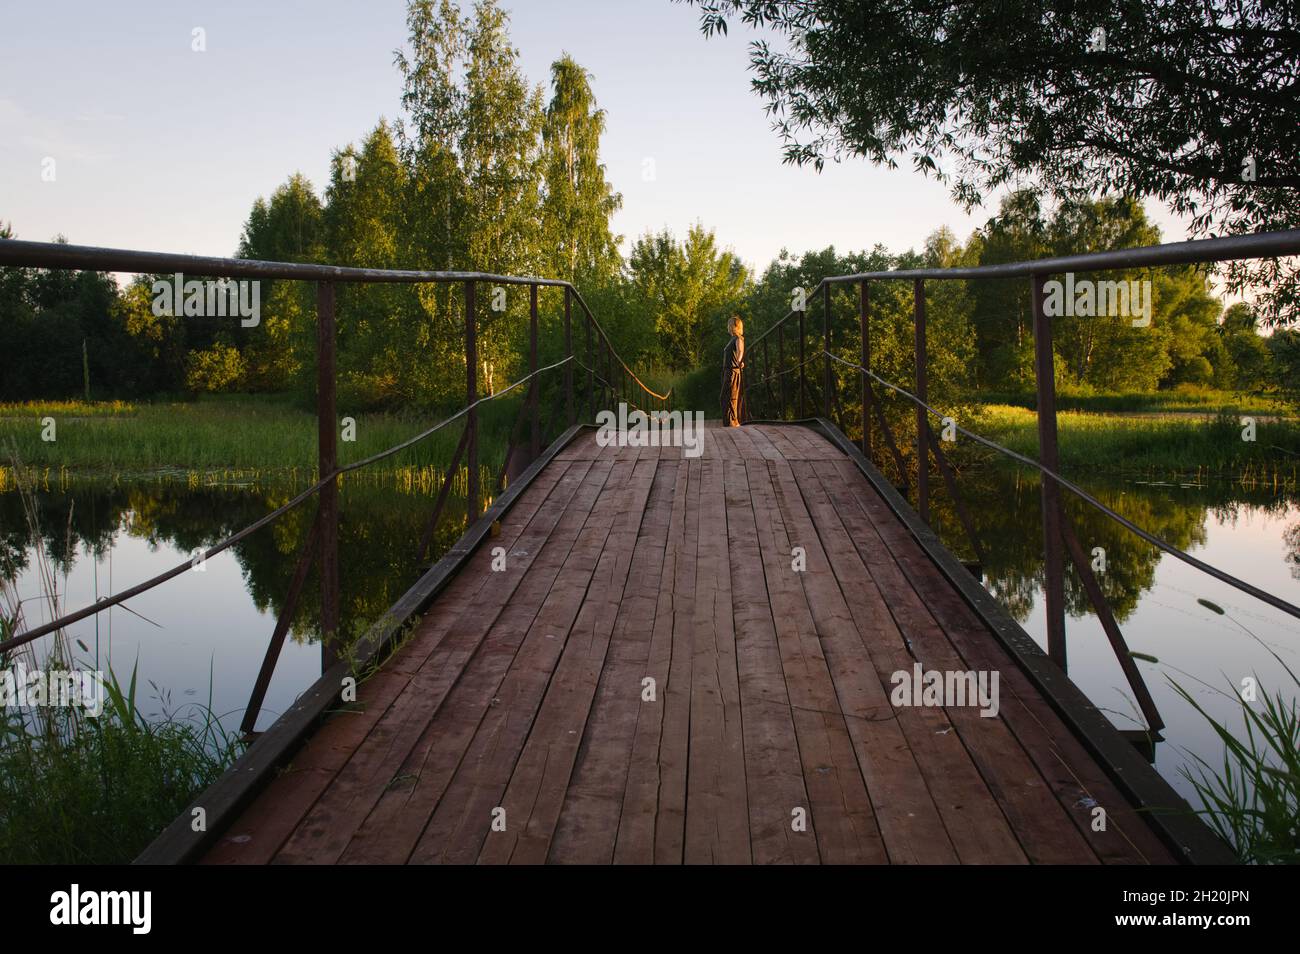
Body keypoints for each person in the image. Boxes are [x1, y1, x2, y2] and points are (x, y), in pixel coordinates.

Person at [720, 314, 745, 427]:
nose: (728, 327)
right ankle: (730, 422)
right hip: (728, 371)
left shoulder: (738, 338)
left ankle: (733, 423)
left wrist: (739, 362)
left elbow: (740, 351)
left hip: (732, 371)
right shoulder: (732, 339)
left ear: (734, 326)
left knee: (730, 396)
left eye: (729, 325)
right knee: (725, 396)